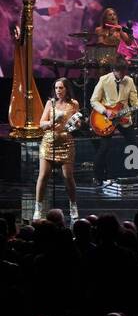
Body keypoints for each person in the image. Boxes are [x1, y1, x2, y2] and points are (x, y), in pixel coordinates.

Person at [90, 59, 138, 184]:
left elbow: (135, 102)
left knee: (133, 144)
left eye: (124, 72)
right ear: (114, 71)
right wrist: (105, 111)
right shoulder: (104, 80)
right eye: (120, 72)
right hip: (107, 118)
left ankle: (134, 173)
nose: (123, 75)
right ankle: (97, 177)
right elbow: (94, 101)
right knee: (104, 148)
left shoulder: (129, 81)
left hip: (124, 118)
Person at [33, 77, 80, 221]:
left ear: (67, 89)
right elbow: (41, 123)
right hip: (49, 142)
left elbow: (75, 123)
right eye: (56, 88)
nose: (58, 91)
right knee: (43, 176)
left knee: (68, 176)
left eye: (61, 88)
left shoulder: (73, 104)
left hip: (66, 142)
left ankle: (73, 206)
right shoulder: (50, 103)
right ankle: (38, 208)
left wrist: (77, 124)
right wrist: (53, 121)